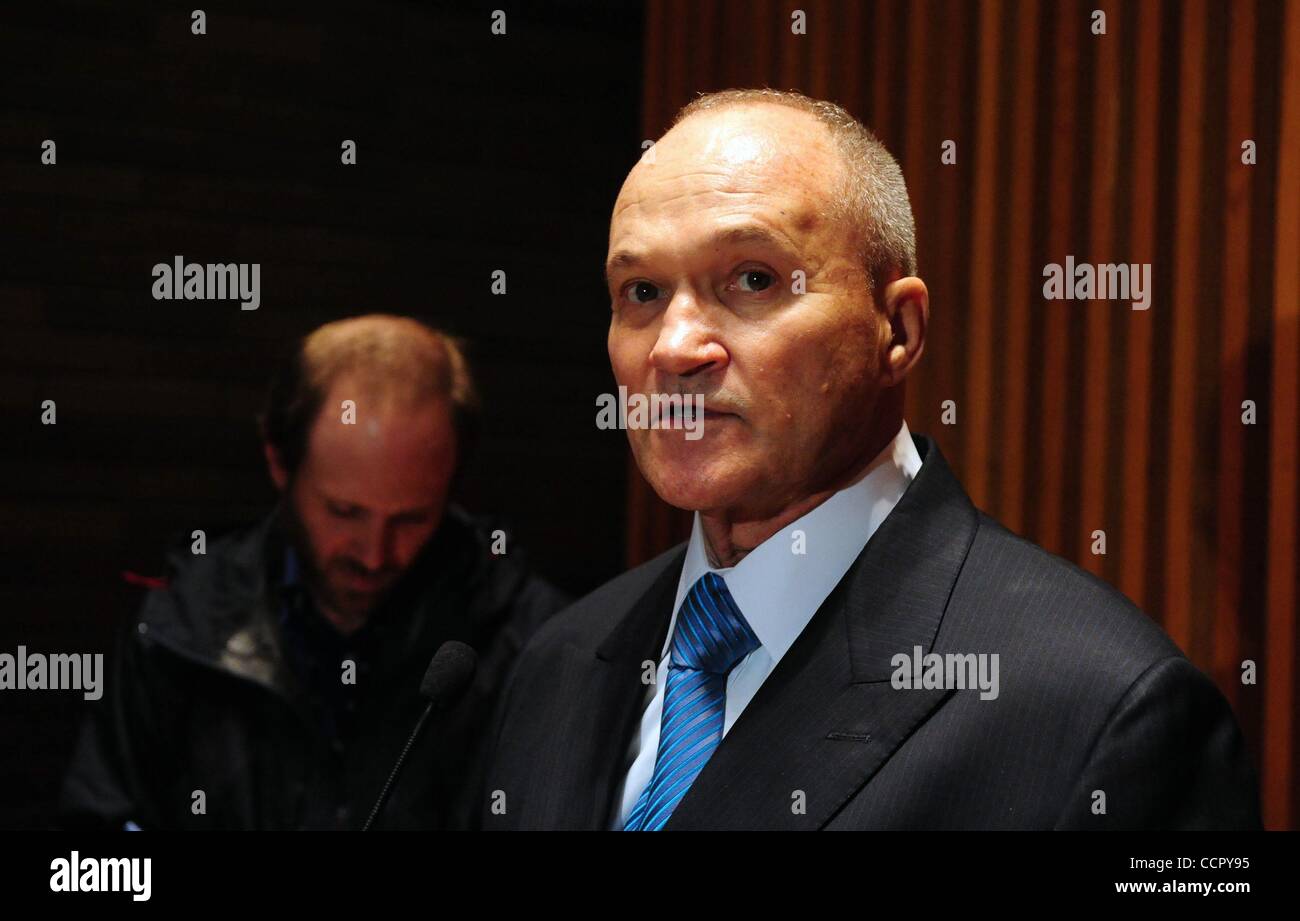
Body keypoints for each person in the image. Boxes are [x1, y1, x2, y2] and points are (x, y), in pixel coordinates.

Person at [482, 89, 1262, 830]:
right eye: (642, 292)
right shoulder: (560, 661)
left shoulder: (1102, 707)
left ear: (898, 330)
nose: (676, 346)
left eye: (753, 279)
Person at [61, 314, 568, 829]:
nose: (374, 554)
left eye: (411, 518)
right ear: (279, 462)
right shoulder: (177, 626)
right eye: (344, 512)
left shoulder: (531, 643)